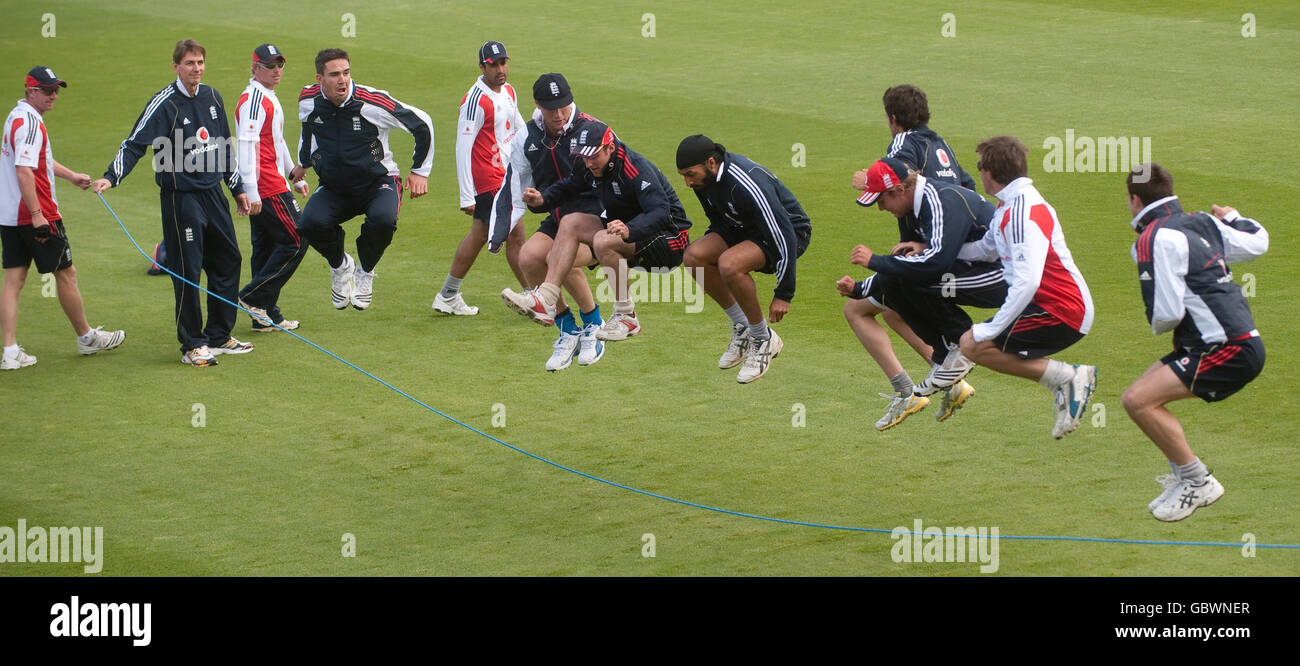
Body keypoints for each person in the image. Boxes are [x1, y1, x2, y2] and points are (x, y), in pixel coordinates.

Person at [1120, 163, 1267, 521]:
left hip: (1226, 348)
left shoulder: (1153, 238)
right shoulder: (1201, 221)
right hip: (1227, 343)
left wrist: (1157, 316)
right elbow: (1256, 242)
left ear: (1134, 199)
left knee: (1139, 401)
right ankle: (1186, 476)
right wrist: (1233, 215)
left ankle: (1197, 481)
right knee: (1137, 396)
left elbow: (1165, 313)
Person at [92, 40, 252, 367]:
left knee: (229, 260)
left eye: (200, 62)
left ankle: (219, 335)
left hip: (213, 195)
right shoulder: (165, 103)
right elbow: (135, 142)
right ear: (176, 66)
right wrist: (112, 176)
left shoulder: (212, 96)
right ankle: (192, 345)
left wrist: (236, 188)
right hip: (182, 200)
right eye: (190, 63)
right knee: (188, 270)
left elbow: (224, 146)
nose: (197, 68)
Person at [845, 85, 983, 428]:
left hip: (926, 257)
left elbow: (895, 177)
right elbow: (967, 189)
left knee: (856, 309)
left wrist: (865, 181)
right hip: (940, 246)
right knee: (893, 312)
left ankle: (908, 392)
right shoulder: (941, 146)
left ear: (892, 118)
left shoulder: (901, 143)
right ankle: (949, 379)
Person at [843, 158, 1006, 424]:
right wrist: (858, 289)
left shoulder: (940, 200)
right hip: (970, 270)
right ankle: (945, 356)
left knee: (909, 277)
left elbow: (936, 263)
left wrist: (874, 261)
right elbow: (906, 266)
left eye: (881, 200)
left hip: (1000, 276)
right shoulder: (913, 208)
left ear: (899, 191)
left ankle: (960, 346)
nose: (880, 208)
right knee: (898, 279)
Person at [955, 135, 1096, 439]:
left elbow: (1028, 281)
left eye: (980, 166)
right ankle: (1064, 379)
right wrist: (936, 252)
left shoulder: (1022, 213)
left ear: (989, 173)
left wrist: (992, 329)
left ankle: (1069, 378)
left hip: (1061, 310)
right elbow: (985, 250)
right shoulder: (1010, 206)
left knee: (973, 344)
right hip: (1052, 306)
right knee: (972, 344)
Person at [502, 122, 691, 345]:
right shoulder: (589, 165)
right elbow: (569, 186)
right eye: (585, 157)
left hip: (669, 240)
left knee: (603, 240)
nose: (589, 162)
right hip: (628, 229)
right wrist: (543, 199)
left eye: (595, 156)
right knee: (570, 222)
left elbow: (661, 211)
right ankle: (547, 298)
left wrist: (630, 229)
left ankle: (626, 316)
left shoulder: (634, 167)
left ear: (610, 148)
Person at [289, 48, 433, 311]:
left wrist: (419, 171)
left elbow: (422, 124)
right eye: (334, 75)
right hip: (335, 187)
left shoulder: (373, 102)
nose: (342, 80)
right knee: (309, 224)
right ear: (320, 79)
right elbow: (307, 127)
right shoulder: (308, 99)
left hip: (377, 182)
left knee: (384, 221)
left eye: (346, 72)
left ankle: (365, 272)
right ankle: (341, 266)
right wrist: (304, 162)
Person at [1, 67, 124, 370]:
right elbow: (24, 171)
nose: (53, 95)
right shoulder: (29, 122)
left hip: (9, 214)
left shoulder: (17, 117)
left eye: (55, 89)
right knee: (66, 273)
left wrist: (69, 176)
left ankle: (10, 350)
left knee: (14, 280)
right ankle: (86, 337)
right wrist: (37, 215)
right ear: (31, 91)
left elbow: (36, 160)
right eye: (46, 90)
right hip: (35, 215)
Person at [487, 73, 607, 370]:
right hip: (558, 218)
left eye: (564, 106)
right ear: (537, 105)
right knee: (528, 257)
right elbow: (513, 183)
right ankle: (569, 331)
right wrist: (499, 230)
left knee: (558, 258)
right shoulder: (527, 138)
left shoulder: (592, 130)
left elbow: (620, 173)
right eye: (551, 107)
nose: (559, 114)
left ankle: (594, 325)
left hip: (596, 221)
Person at [677, 134, 810, 384]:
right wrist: (708, 269)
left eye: (690, 174)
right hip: (743, 228)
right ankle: (743, 329)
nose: (687, 182)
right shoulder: (703, 182)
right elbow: (718, 221)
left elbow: (783, 232)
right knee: (694, 257)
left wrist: (784, 293)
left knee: (730, 263)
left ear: (711, 163)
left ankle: (762, 339)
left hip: (788, 234)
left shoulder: (745, 182)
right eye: (683, 175)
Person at [434, 41, 527, 316]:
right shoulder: (475, 101)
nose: (501, 69)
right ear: (482, 67)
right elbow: (462, 147)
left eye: (503, 63)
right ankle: (535, 296)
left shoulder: (508, 91)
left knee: (480, 235)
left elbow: (518, 126)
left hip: (508, 174)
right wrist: (466, 195)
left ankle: (448, 294)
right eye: (494, 65)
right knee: (516, 233)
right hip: (489, 178)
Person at [235, 43, 309, 332]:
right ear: (255, 68)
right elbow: (246, 147)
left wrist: (294, 172)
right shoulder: (254, 100)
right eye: (269, 65)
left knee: (265, 247)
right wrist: (251, 192)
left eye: (279, 65)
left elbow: (276, 140)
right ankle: (253, 297)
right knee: (297, 238)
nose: (276, 70)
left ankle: (265, 314)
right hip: (266, 185)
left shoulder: (267, 97)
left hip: (272, 180)